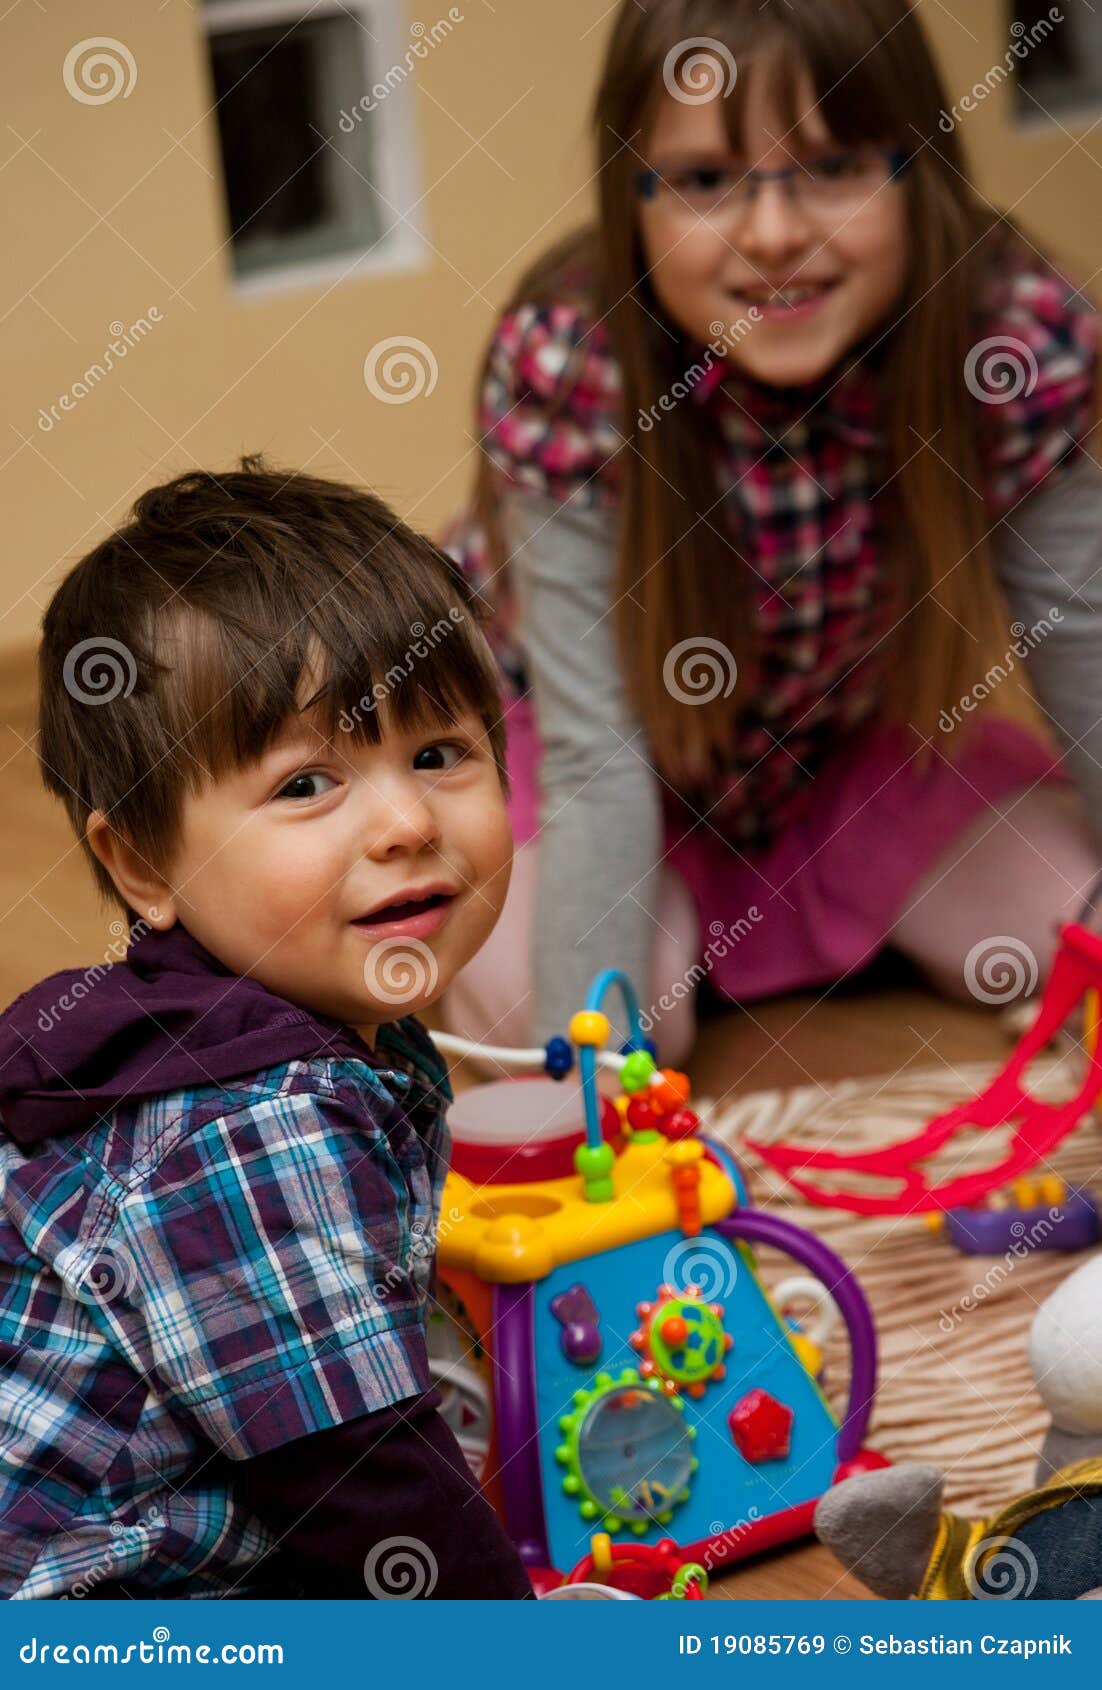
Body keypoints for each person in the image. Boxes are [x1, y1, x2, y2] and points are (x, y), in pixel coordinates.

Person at [441, 0, 1102, 1066]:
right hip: (582, 771)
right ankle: (663, 943)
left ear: (920, 169)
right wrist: (589, 1094)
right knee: (578, 1019)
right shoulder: (577, 365)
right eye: (705, 182)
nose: (775, 235)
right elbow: (591, 755)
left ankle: (796, 909)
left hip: (834, 768)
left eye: (835, 167)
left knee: (1080, 921)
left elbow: (1084, 648)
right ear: (632, 199)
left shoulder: (1008, 339)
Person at [0, 461, 532, 1600]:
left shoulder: (315, 1033)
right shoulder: (246, 1117)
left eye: (439, 754)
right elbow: (365, 1475)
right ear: (143, 864)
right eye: (306, 785)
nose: (404, 821)